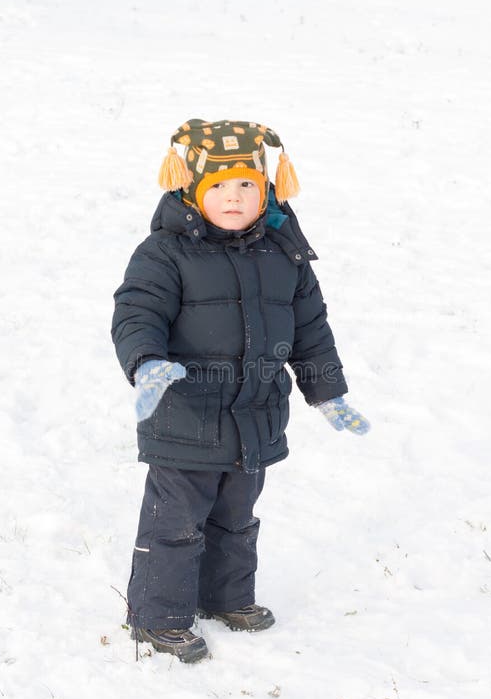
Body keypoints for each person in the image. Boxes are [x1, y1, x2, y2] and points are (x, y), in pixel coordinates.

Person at [111, 119, 370, 663]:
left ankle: (227, 599)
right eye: (221, 188)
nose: (235, 198)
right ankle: (158, 619)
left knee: (237, 517)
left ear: (267, 190)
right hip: (185, 414)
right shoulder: (164, 253)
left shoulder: (285, 255)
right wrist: (148, 364)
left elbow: (311, 329)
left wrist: (328, 394)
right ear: (194, 191)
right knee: (176, 524)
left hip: (255, 416)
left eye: (247, 186)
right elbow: (137, 313)